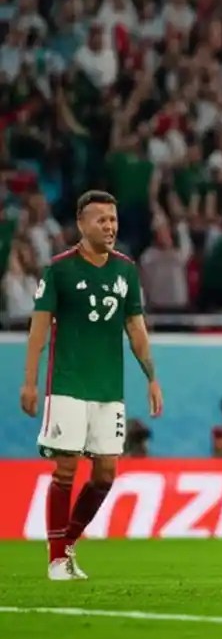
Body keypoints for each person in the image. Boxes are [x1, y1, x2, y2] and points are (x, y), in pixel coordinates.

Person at [20, 190, 164, 581]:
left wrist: (151, 377)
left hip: (108, 389)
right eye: (101, 220)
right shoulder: (60, 270)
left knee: (105, 475)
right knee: (65, 469)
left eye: (114, 220)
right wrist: (30, 381)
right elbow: (38, 329)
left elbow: (135, 328)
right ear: (82, 224)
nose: (110, 226)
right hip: (67, 382)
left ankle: (66, 544)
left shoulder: (126, 271)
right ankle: (55, 560)